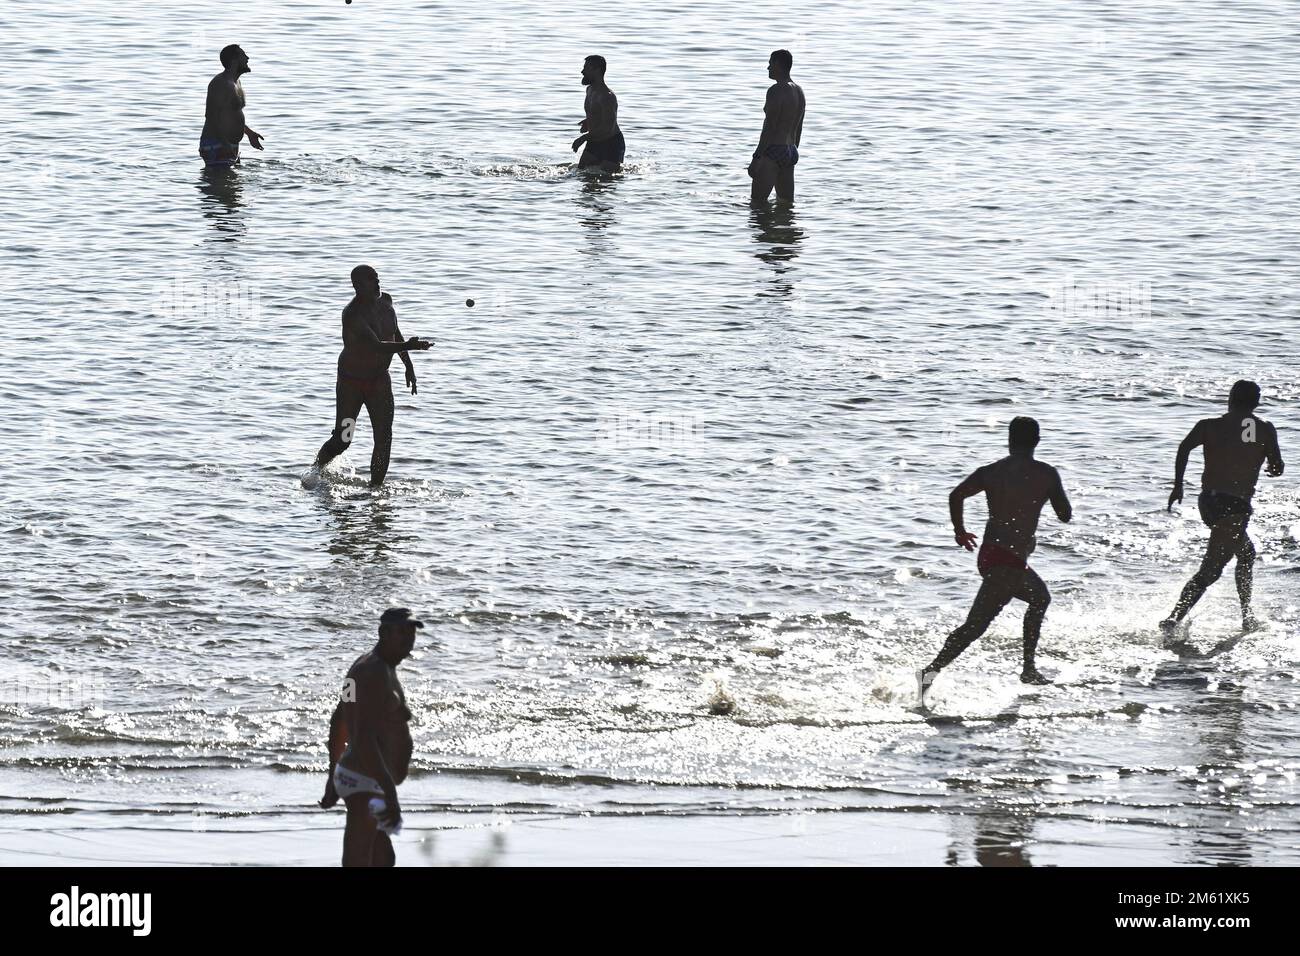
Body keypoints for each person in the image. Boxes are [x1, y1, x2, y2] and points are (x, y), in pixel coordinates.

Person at [919, 417, 1073, 706]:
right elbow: (1065, 515)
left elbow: (957, 495)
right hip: (1009, 558)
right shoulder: (1046, 473)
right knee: (976, 625)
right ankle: (930, 671)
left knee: (1038, 599)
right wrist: (1049, 495)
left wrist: (960, 532)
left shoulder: (991, 471)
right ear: (1037, 441)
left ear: (1010, 440)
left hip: (991, 554)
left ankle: (1028, 668)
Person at [1161, 380, 1285, 634]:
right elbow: (1276, 466)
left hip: (1208, 501)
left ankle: (1247, 616)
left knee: (1246, 554)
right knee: (1212, 570)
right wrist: (1269, 463)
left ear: (1230, 399)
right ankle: (1173, 620)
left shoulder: (1209, 426)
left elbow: (1184, 448)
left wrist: (1178, 486)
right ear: (1257, 402)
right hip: (1234, 506)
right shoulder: (1264, 429)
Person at [312, 266, 432, 487]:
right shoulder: (353, 314)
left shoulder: (386, 302)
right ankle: (315, 472)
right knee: (343, 439)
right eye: (371, 281)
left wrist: (408, 363)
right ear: (357, 286)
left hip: (379, 382)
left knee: (384, 436)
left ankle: (375, 491)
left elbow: (393, 332)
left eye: (377, 279)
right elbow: (377, 346)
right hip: (351, 384)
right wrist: (409, 346)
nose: (377, 284)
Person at [320, 608, 422, 867]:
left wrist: (333, 775)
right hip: (364, 780)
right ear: (383, 633)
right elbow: (363, 738)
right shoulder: (373, 674)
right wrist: (390, 792)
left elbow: (339, 719)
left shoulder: (364, 664)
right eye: (401, 632)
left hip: (360, 776)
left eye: (411, 633)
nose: (408, 639)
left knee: (382, 859)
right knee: (359, 859)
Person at [747, 49, 805, 203]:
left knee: (757, 205)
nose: (768, 68)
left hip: (773, 150)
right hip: (791, 151)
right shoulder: (799, 91)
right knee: (785, 206)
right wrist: (791, 152)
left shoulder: (776, 90)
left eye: (770, 63)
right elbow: (799, 127)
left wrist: (757, 157)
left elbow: (770, 127)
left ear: (778, 64)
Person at [199, 45, 265, 168]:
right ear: (234, 61)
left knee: (232, 185)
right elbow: (211, 116)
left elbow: (230, 114)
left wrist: (249, 133)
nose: (247, 58)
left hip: (228, 145)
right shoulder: (220, 83)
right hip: (217, 145)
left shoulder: (236, 82)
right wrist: (224, 143)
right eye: (243, 55)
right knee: (219, 184)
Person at [572, 55, 625, 171]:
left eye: (586, 68)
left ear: (597, 70)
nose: (582, 71)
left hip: (611, 143)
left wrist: (583, 139)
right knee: (581, 173)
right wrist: (588, 121)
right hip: (595, 140)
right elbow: (596, 113)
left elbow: (608, 128)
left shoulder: (607, 96)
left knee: (608, 180)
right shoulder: (590, 90)